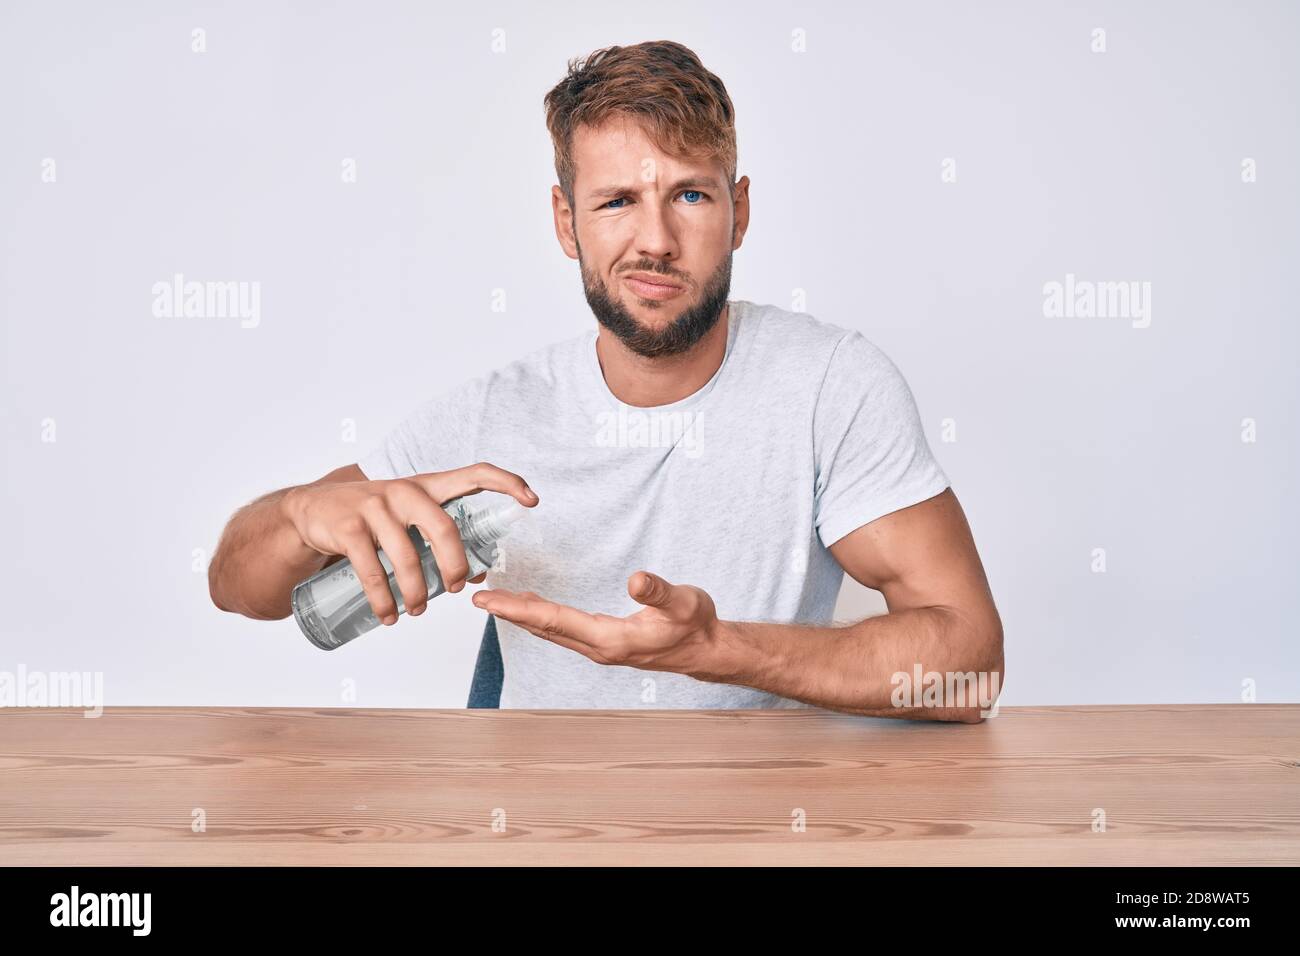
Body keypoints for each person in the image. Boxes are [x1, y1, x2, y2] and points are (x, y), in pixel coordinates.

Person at [209, 40, 1003, 720]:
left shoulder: (831, 386)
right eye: (618, 201)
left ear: (741, 211)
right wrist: (299, 513)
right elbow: (236, 588)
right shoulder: (498, 414)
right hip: (537, 824)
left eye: (690, 194)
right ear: (566, 223)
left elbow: (970, 664)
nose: (655, 241)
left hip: (760, 823)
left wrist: (723, 650)